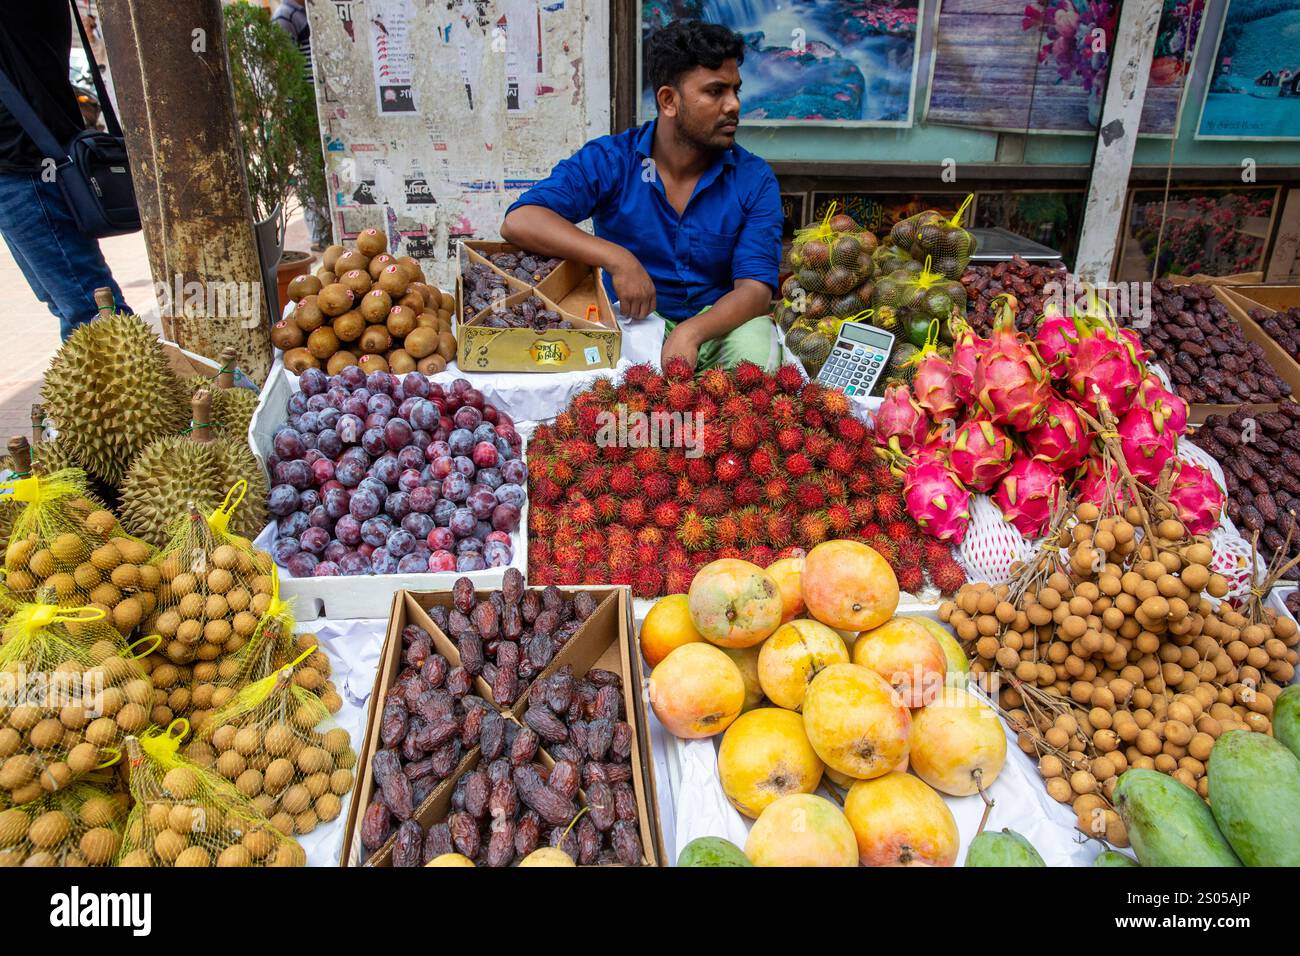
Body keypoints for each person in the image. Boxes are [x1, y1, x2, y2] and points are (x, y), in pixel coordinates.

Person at [501, 19, 782, 373]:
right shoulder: (612, 161)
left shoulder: (753, 179)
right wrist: (618, 259)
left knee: (759, 363)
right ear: (668, 101)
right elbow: (520, 220)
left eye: (735, 90)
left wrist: (691, 333)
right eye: (716, 92)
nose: (734, 105)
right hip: (630, 324)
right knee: (593, 393)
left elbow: (755, 291)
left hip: (716, 326)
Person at [0, 6, 130, 340]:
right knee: (74, 305)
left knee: (91, 312)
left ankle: (194, 389)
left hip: (28, 169)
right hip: (22, 167)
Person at [272, 0, 329, 252]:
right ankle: (318, 232)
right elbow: (283, 68)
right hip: (303, 109)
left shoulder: (309, 11)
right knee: (310, 173)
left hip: (320, 109)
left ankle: (325, 228)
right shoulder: (285, 17)